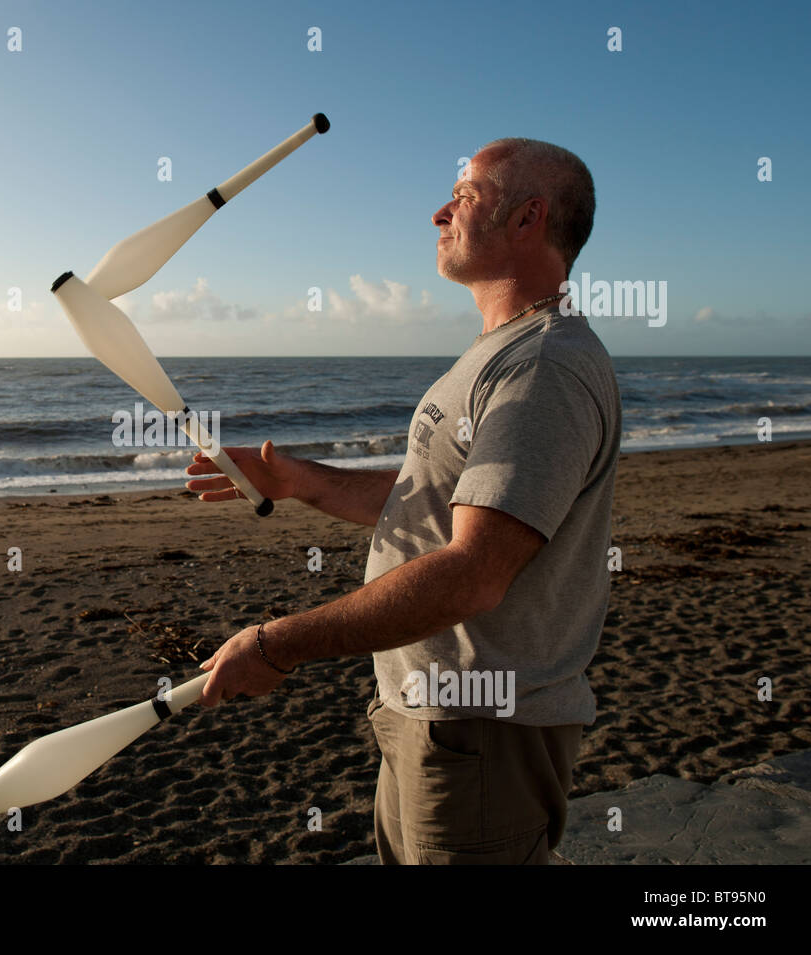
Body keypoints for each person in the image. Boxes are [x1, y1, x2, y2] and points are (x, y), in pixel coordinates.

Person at [185, 138, 621, 864]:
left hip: (479, 729)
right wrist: (300, 480)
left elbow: (476, 570)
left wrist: (278, 643)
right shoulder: (502, 351)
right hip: (430, 718)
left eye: (467, 195)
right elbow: (453, 502)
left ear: (528, 219)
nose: (439, 212)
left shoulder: (543, 367)